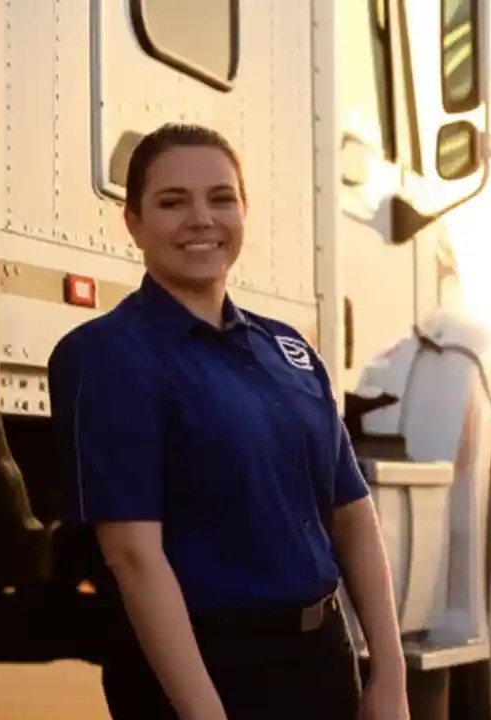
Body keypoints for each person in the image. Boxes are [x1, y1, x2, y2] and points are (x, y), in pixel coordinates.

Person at [47, 123, 411, 720]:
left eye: (220, 198)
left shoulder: (288, 349)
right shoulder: (108, 355)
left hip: (322, 660)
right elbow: (133, 558)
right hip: (205, 670)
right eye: (172, 202)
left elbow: (352, 516)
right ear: (133, 222)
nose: (200, 218)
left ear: (244, 212)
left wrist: (389, 676)